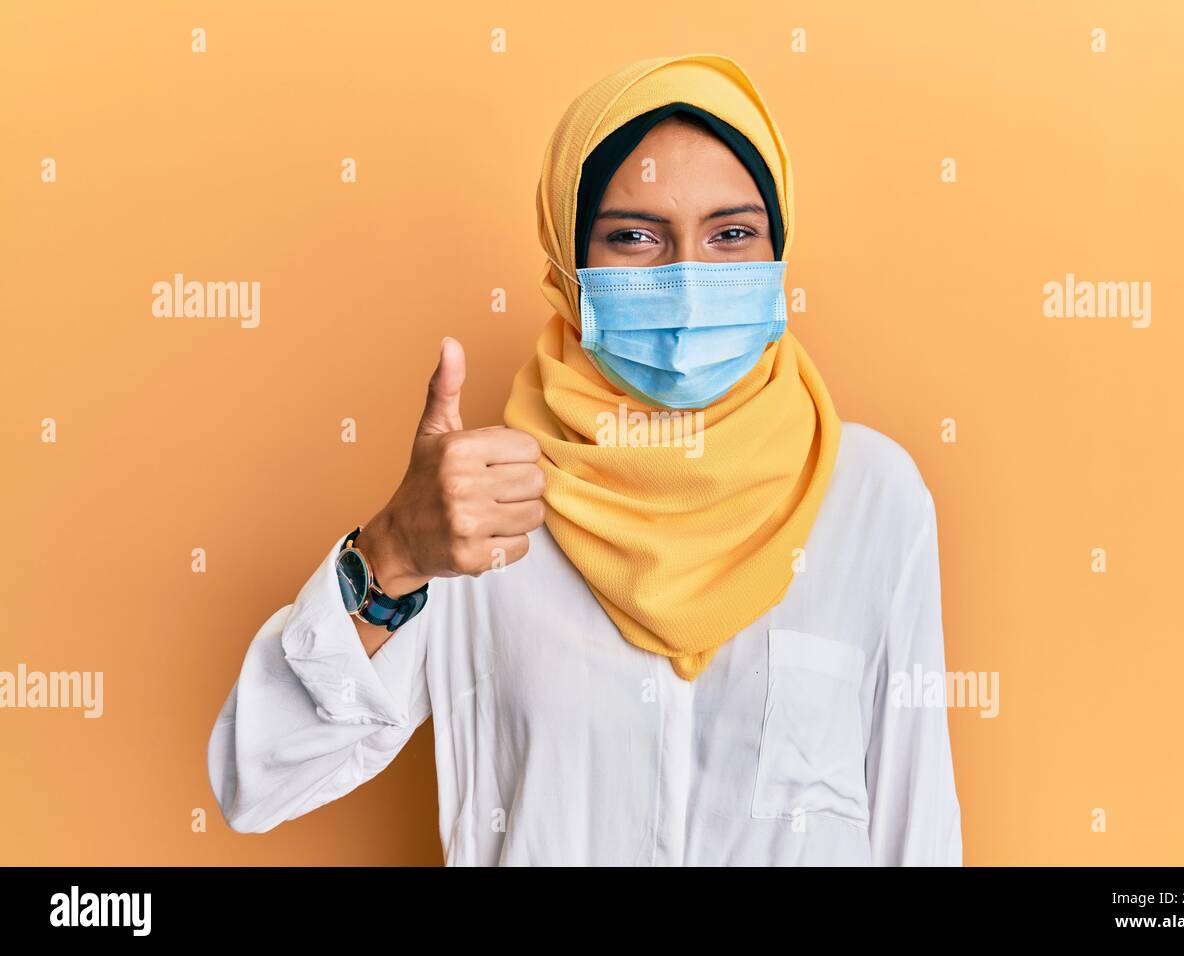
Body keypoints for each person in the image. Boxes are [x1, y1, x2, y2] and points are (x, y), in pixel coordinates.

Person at [207, 52, 962, 866]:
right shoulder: (480, 509)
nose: (687, 276)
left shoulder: (869, 495)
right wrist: (390, 555)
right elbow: (256, 781)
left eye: (732, 233)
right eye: (634, 236)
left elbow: (913, 819)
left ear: (779, 253)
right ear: (568, 267)